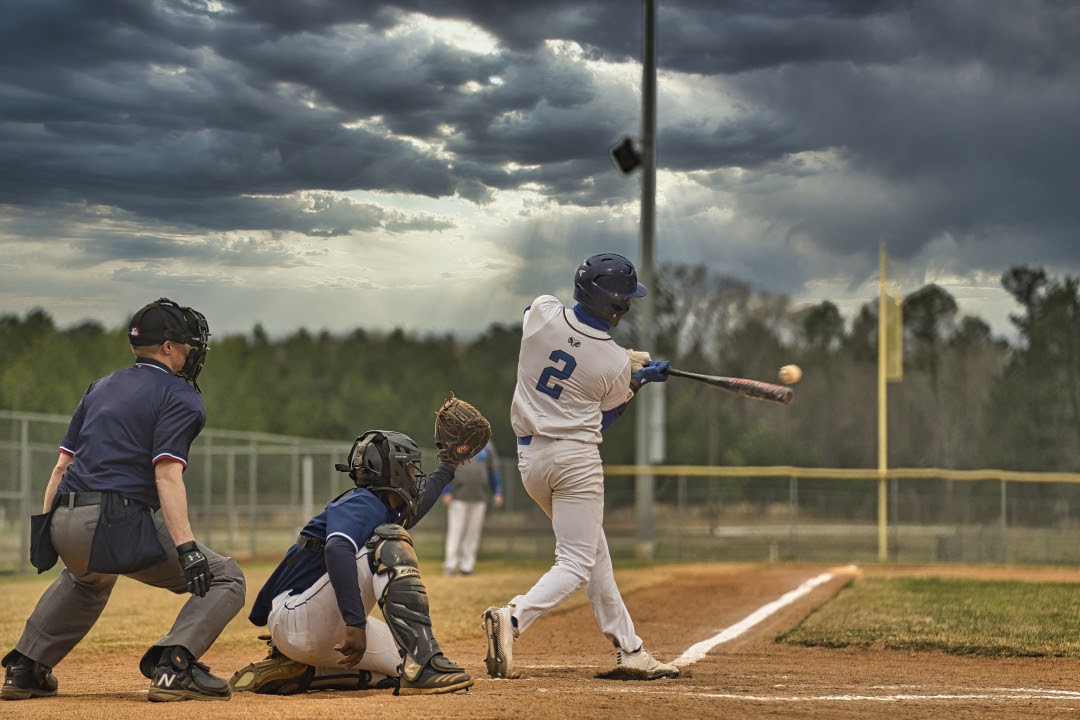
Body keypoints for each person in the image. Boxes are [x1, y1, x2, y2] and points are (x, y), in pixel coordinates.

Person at [1, 298, 246, 702]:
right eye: (186, 343)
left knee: (86, 580)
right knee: (227, 577)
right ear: (167, 347)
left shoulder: (101, 386)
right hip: (114, 520)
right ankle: (174, 668)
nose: (191, 351)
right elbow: (167, 475)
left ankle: (25, 668)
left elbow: (62, 467)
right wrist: (187, 548)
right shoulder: (179, 395)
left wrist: (45, 527)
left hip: (64, 515)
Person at [482, 253, 680, 681]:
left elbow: (549, 327)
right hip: (574, 463)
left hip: (531, 461)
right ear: (616, 306)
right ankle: (512, 618)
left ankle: (630, 649)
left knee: (594, 555)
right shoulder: (613, 363)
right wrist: (638, 380)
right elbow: (605, 418)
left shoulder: (542, 313)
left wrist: (617, 360)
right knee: (575, 562)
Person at [229, 429, 474, 696]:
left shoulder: (378, 509)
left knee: (400, 666)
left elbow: (414, 509)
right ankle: (424, 666)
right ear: (394, 471)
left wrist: (448, 465)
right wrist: (355, 623)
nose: (415, 477)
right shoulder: (363, 503)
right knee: (389, 542)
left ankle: (308, 673)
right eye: (410, 469)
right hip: (299, 619)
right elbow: (337, 549)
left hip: (308, 629)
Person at [442, 440, 503, 576]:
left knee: (473, 533)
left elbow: (493, 470)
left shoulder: (487, 445)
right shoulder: (456, 442)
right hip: (458, 496)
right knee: (456, 532)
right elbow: (447, 468)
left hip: (480, 496)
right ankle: (450, 565)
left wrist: (497, 491)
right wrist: (446, 491)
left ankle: (467, 566)